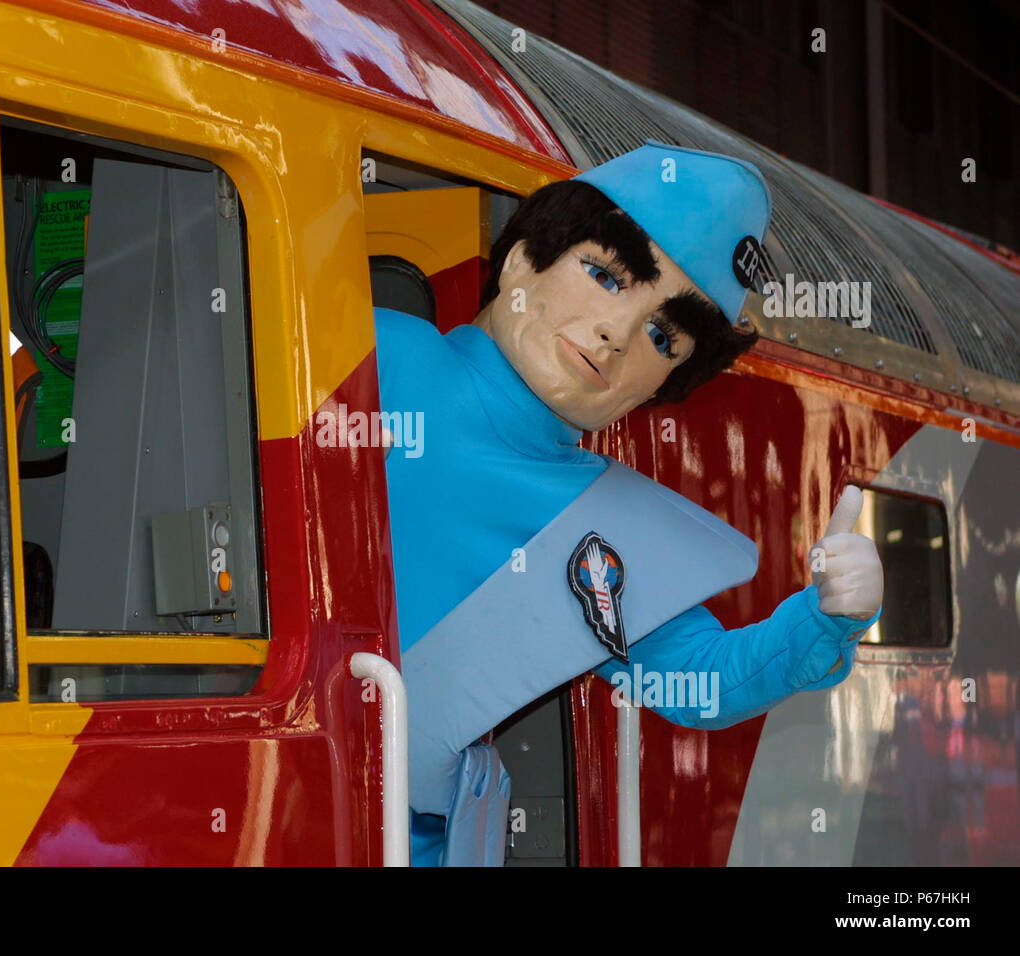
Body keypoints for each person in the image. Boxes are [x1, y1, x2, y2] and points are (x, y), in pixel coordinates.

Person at [373, 141, 885, 866]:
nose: (618, 334)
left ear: (663, 384)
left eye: (662, 334)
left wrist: (827, 619)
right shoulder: (370, 354)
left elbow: (702, 681)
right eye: (606, 275)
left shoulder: (602, 529)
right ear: (522, 259)